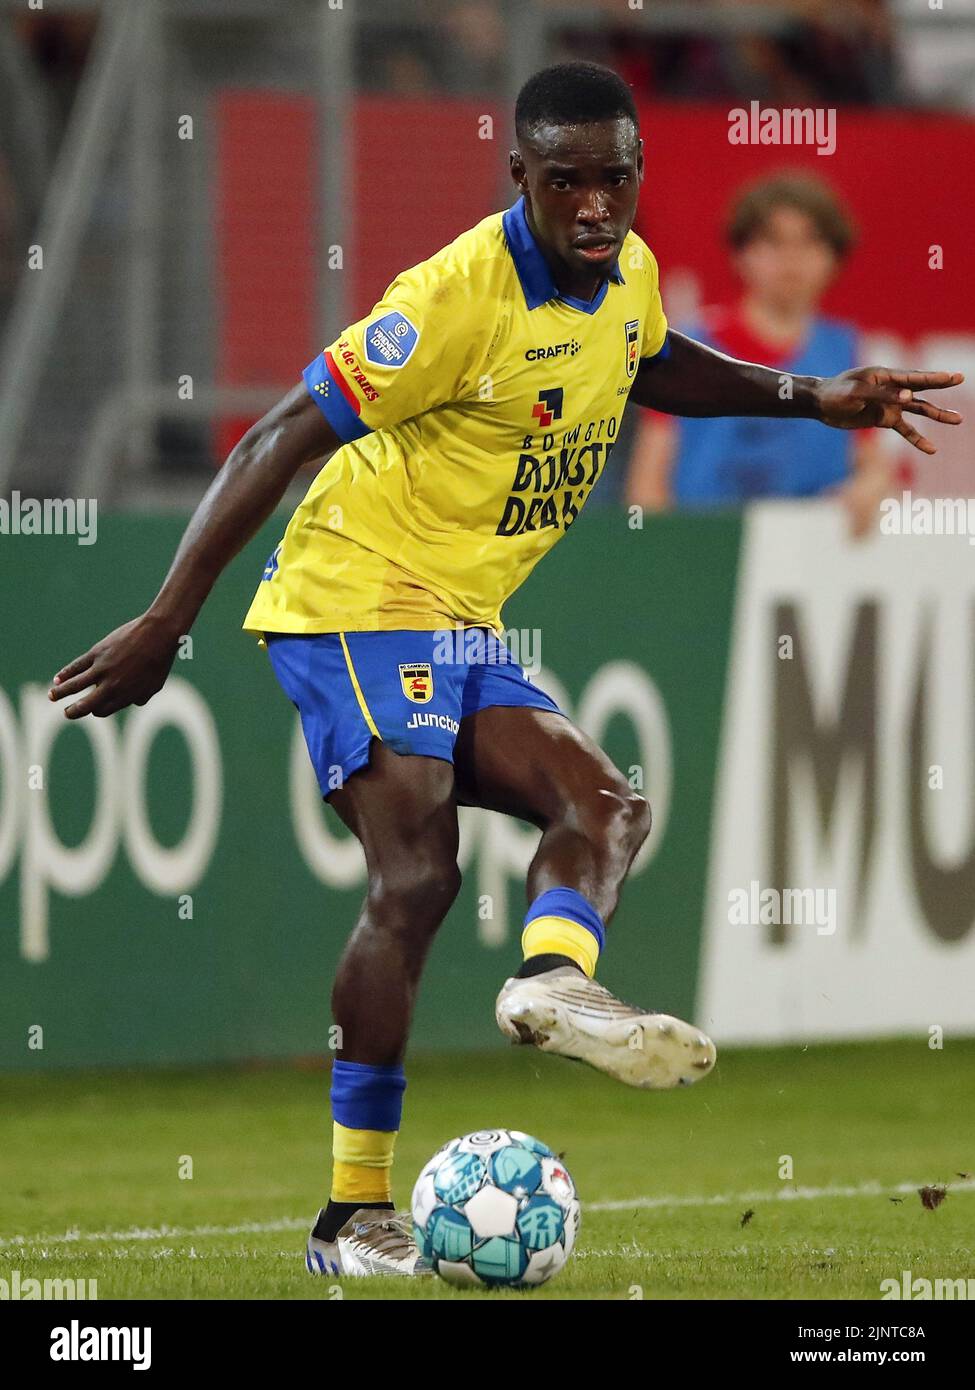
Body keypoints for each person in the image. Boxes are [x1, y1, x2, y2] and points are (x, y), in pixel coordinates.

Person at [48, 62, 962, 1278]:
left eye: (617, 180)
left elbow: (650, 360)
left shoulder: (625, 271)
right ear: (519, 175)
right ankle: (350, 1216)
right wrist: (169, 616)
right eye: (569, 180)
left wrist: (810, 398)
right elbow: (280, 433)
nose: (597, 206)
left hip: (457, 614)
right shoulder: (450, 301)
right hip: (354, 590)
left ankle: (552, 980)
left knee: (608, 805)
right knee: (418, 867)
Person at [626, 171, 890, 533]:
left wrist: (870, 488)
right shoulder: (687, 346)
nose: (791, 259)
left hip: (803, 560)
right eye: (773, 241)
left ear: (834, 256)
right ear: (740, 254)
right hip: (704, 552)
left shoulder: (843, 351)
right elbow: (647, 484)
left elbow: (873, 463)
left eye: (810, 242)